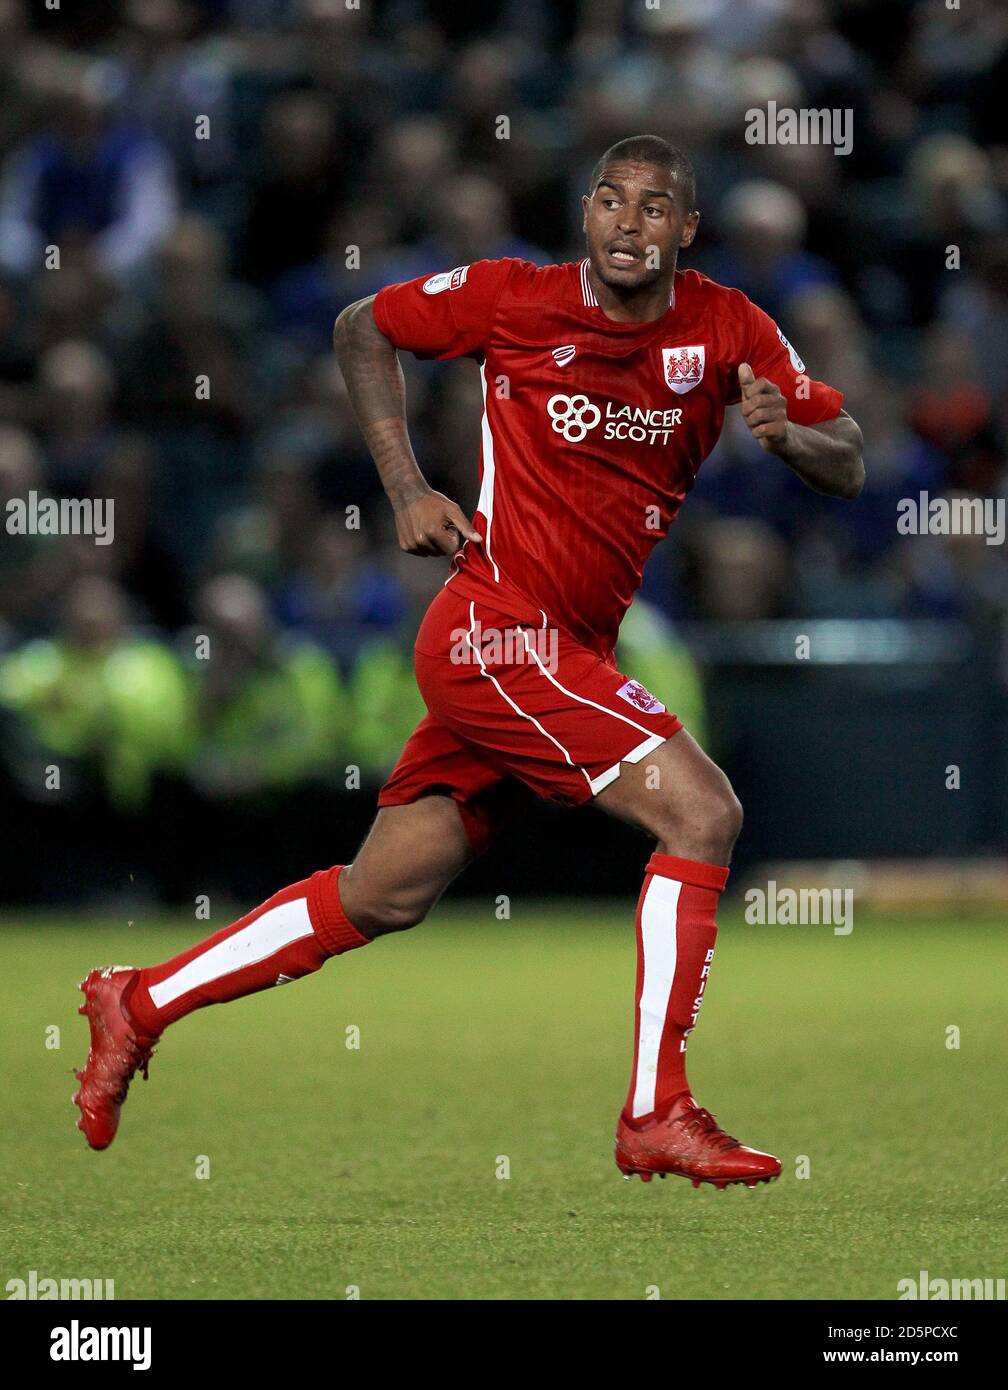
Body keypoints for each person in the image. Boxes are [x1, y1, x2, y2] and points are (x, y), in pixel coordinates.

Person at [74, 135, 864, 1188]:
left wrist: (789, 437)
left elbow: (847, 455)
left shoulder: (729, 328)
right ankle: (655, 1111)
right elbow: (364, 328)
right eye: (612, 202)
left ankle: (138, 1001)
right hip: (496, 631)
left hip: (564, 647)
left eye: (655, 207)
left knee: (383, 891)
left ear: (687, 230)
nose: (630, 224)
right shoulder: (512, 298)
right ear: (588, 213)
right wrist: (403, 484)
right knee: (702, 812)